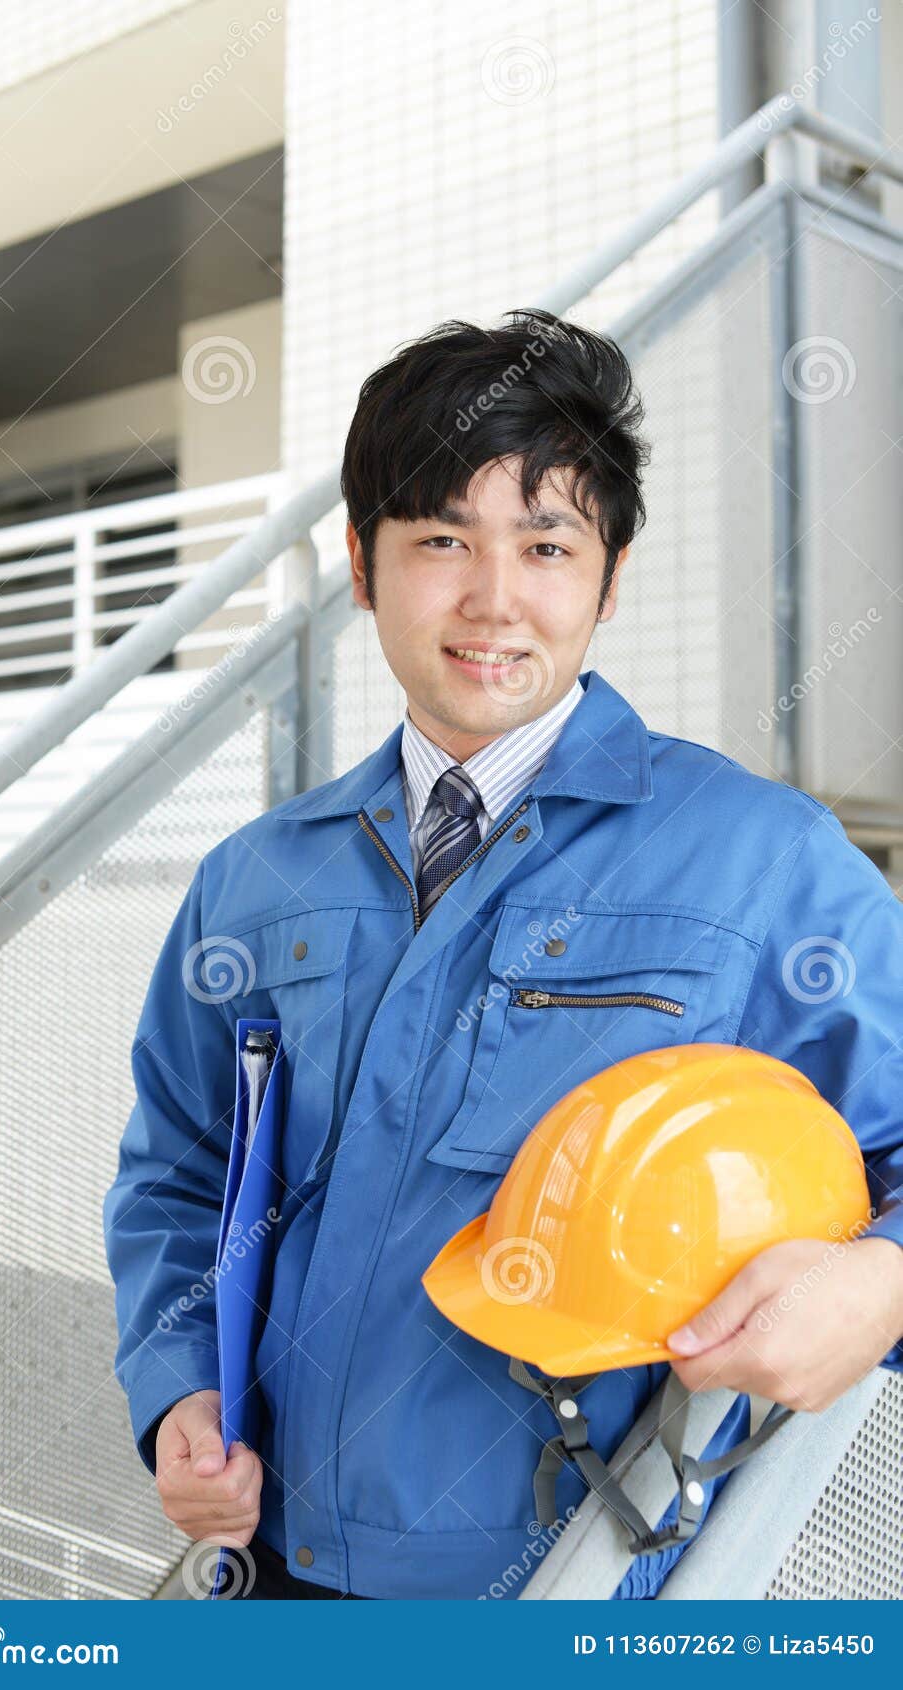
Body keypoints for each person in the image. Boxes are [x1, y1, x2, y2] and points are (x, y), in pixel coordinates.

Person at [102, 309, 903, 1600]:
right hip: (265, 1574)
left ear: (610, 573)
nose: (492, 597)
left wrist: (882, 1287)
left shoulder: (763, 861)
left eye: (545, 544)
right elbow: (179, 1172)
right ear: (362, 567)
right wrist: (177, 1386)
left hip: (571, 1586)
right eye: (439, 541)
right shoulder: (253, 884)